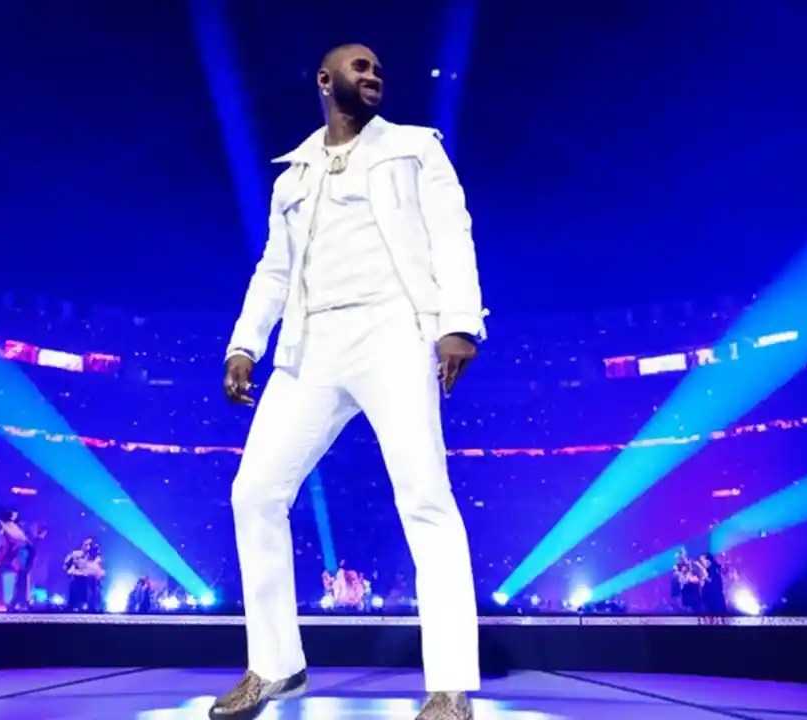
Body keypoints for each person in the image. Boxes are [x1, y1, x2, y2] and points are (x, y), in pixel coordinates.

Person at [210, 43, 484, 720]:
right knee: (255, 493)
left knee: (424, 495)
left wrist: (460, 323)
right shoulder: (293, 175)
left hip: (395, 330)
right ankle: (275, 666)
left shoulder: (417, 149)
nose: (374, 74)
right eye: (358, 68)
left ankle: (449, 686)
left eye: (379, 68)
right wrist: (244, 345)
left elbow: (454, 232)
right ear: (325, 80)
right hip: (310, 344)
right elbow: (274, 269)